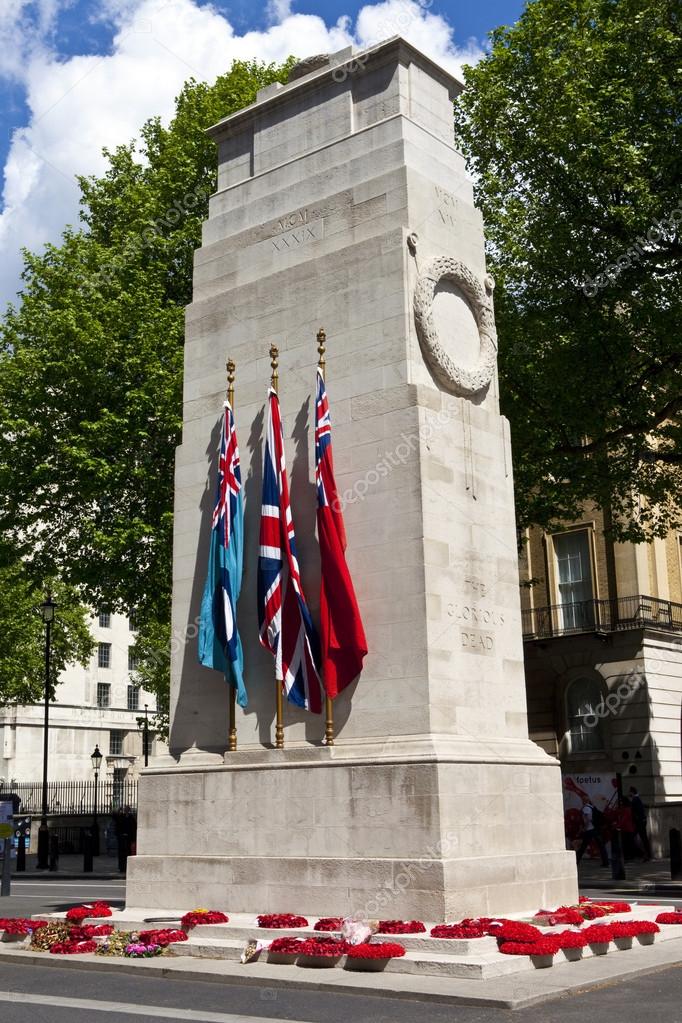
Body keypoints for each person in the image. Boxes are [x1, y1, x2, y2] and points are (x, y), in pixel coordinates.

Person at [576, 799, 609, 867]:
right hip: (596, 829)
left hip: (589, 830)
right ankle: (606, 862)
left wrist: (584, 828)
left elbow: (588, 819)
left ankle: (576, 861)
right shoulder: (592, 807)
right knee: (601, 846)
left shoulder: (586, 808)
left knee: (583, 846)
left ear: (584, 801)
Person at [112, 805, 137, 873]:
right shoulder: (120, 816)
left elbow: (134, 828)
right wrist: (118, 809)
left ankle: (128, 867)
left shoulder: (131, 818)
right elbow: (114, 815)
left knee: (128, 853)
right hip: (121, 837)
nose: (126, 810)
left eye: (127, 809)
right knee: (121, 853)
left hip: (128, 838)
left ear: (129, 810)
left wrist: (133, 838)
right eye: (125, 809)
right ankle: (121, 867)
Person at [629, 786, 652, 861]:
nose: (629, 794)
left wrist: (637, 820)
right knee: (641, 838)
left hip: (639, 822)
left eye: (630, 792)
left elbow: (635, 812)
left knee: (640, 838)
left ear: (632, 792)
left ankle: (644, 854)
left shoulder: (635, 800)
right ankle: (644, 854)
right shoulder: (637, 799)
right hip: (640, 822)